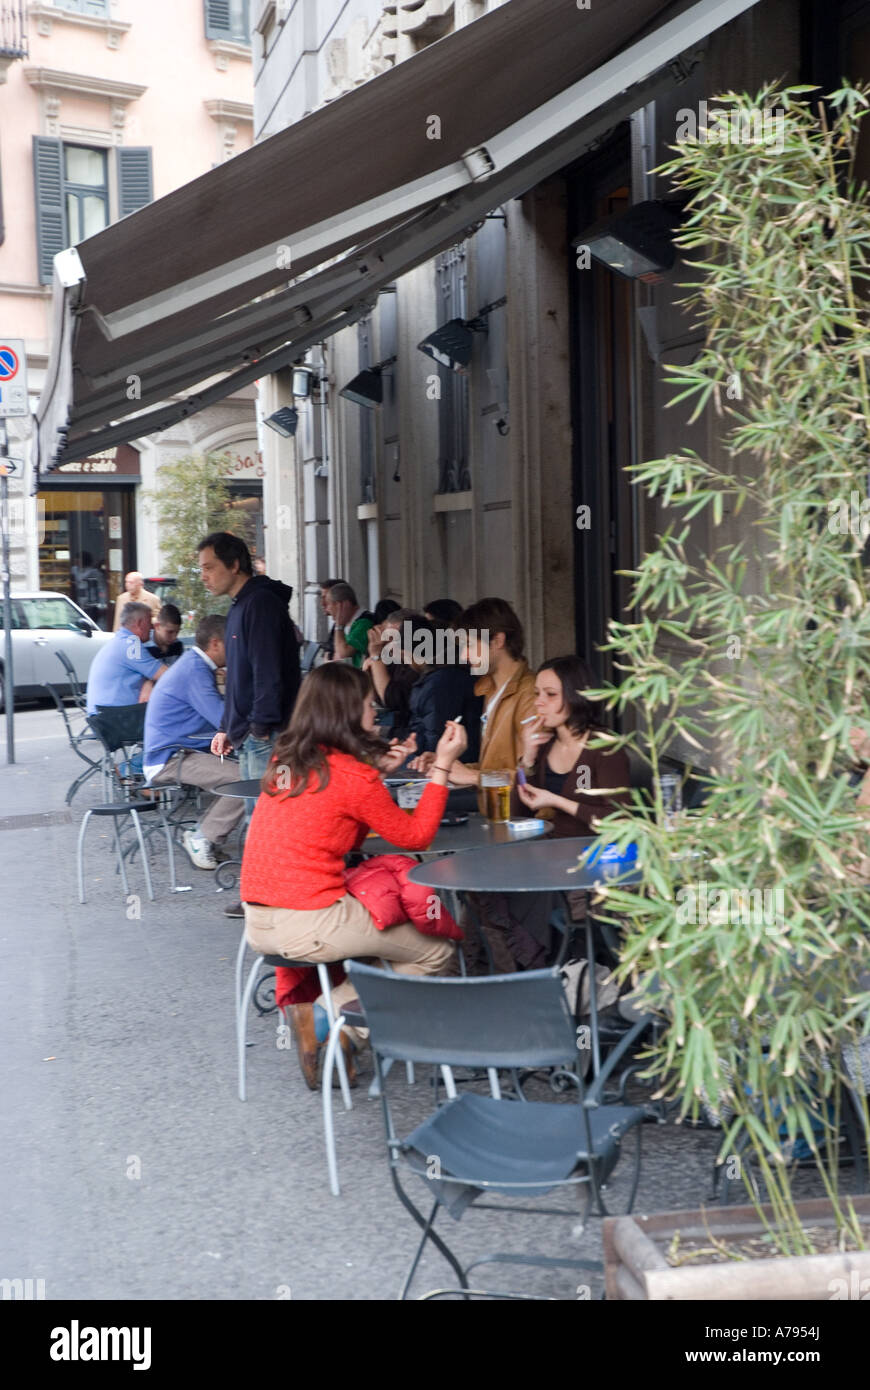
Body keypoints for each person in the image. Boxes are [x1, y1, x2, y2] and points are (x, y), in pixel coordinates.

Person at [240, 663, 467, 1087]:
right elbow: (415, 837)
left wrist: (377, 773)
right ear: (345, 711)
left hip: (260, 921)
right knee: (434, 951)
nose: (375, 714)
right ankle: (339, 1025)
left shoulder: (284, 758)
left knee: (387, 942)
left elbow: (334, 816)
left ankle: (323, 1016)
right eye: (368, 705)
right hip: (311, 919)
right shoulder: (355, 776)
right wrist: (444, 766)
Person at [199, 532, 301, 915]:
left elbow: (267, 673)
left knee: (269, 815)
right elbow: (242, 675)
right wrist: (229, 725)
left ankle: (267, 895)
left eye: (210, 567)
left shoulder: (258, 604)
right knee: (263, 815)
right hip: (256, 732)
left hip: (269, 734)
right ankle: (263, 892)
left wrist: (258, 726)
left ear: (235, 564)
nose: (204, 576)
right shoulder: (246, 604)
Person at [142, 614, 245, 871]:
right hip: (170, 758)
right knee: (247, 780)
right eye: (234, 643)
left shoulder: (193, 664)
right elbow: (224, 720)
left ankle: (205, 832)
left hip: (179, 751)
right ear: (216, 644)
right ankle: (203, 837)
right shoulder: (195, 671)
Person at [411, 596, 536, 799]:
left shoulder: (531, 694)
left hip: (516, 819)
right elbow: (495, 767)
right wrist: (446, 763)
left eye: (469, 645)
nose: (464, 656)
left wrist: (470, 776)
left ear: (497, 641)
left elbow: (530, 779)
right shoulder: (489, 688)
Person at [515, 655, 631, 835]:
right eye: (537, 693)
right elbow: (518, 815)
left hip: (594, 853)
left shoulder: (604, 747)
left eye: (551, 694)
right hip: (550, 851)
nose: (539, 702)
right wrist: (527, 759)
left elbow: (620, 821)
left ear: (575, 696)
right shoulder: (546, 745)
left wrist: (557, 801)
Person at [86, 602, 167, 715]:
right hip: (113, 718)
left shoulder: (121, 641)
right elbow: (167, 675)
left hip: (104, 715)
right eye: (149, 622)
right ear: (139, 623)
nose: (152, 627)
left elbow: (153, 673)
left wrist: (148, 683)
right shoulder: (131, 645)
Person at [325, 582, 374, 668]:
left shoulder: (364, 622)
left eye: (329, 604)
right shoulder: (346, 623)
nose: (328, 609)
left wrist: (339, 625)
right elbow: (331, 653)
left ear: (343, 604)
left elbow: (343, 654)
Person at [317, 576, 343, 662]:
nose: (322, 603)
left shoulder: (355, 624)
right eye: (322, 597)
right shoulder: (336, 625)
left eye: (327, 598)